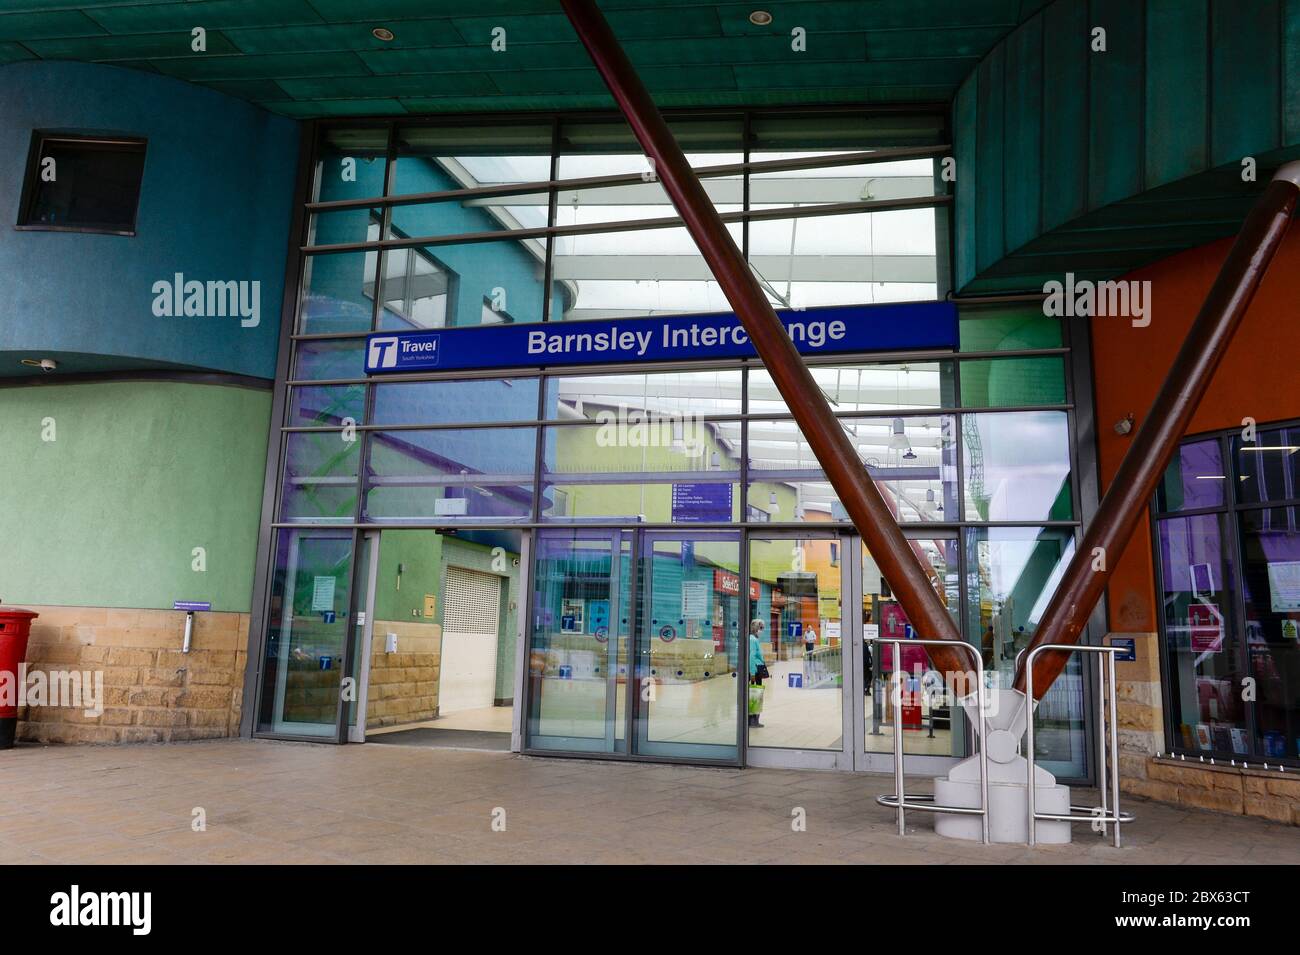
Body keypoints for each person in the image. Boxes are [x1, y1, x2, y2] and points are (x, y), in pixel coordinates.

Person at [748, 619, 769, 727]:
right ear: (756, 628)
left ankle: (754, 719)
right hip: (755, 671)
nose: (762, 630)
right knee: (755, 694)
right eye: (761, 628)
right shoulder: (752, 640)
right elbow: (751, 656)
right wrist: (752, 673)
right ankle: (753, 720)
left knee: (755, 694)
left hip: (756, 670)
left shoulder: (754, 639)